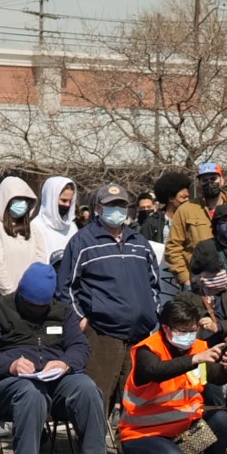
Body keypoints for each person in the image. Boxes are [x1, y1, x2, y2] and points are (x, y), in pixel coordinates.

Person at [0, 262, 110, 454]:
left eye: (41, 306)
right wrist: (9, 365)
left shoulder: (62, 312)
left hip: (55, 379)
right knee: (30, 392)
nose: (36, 309)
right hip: (11, 383)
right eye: (31, 304)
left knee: (87, 388)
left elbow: (79, 346)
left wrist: (65, 363)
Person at [57, 182, 162, 429]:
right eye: (111, 205)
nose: (117, 210)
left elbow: (154, 283)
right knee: (98, 394)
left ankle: (132, 449)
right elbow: (66, 287)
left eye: (121, 205)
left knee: (136, 396)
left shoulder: (139, 241)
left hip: (139, 334)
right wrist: (80, 318)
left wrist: (152, 312)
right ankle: (94, 452)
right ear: (97, 208)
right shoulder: (82, 241)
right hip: (102, 332)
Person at [119, 293, 227, 454]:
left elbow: (216, 376)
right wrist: (194, 360)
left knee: (222, 420)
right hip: (141, 436)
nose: (191, 336)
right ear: (166, 328)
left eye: (194, 331)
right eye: (184, 331)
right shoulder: (148, 349)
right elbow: (156, 371)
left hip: (182, 431)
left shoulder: (198, 348)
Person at [0, 175, 46, 300]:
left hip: (25, 300)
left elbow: (40, 262)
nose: (22, 204)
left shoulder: (32, 229)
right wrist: (12, 296)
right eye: (17, 199)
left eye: (25, 200)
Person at [35, 176, 79, 265]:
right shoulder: (35, 226)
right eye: (63, 200)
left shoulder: (72, 227)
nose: (67, 205)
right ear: (51, 199)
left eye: (70, 201)